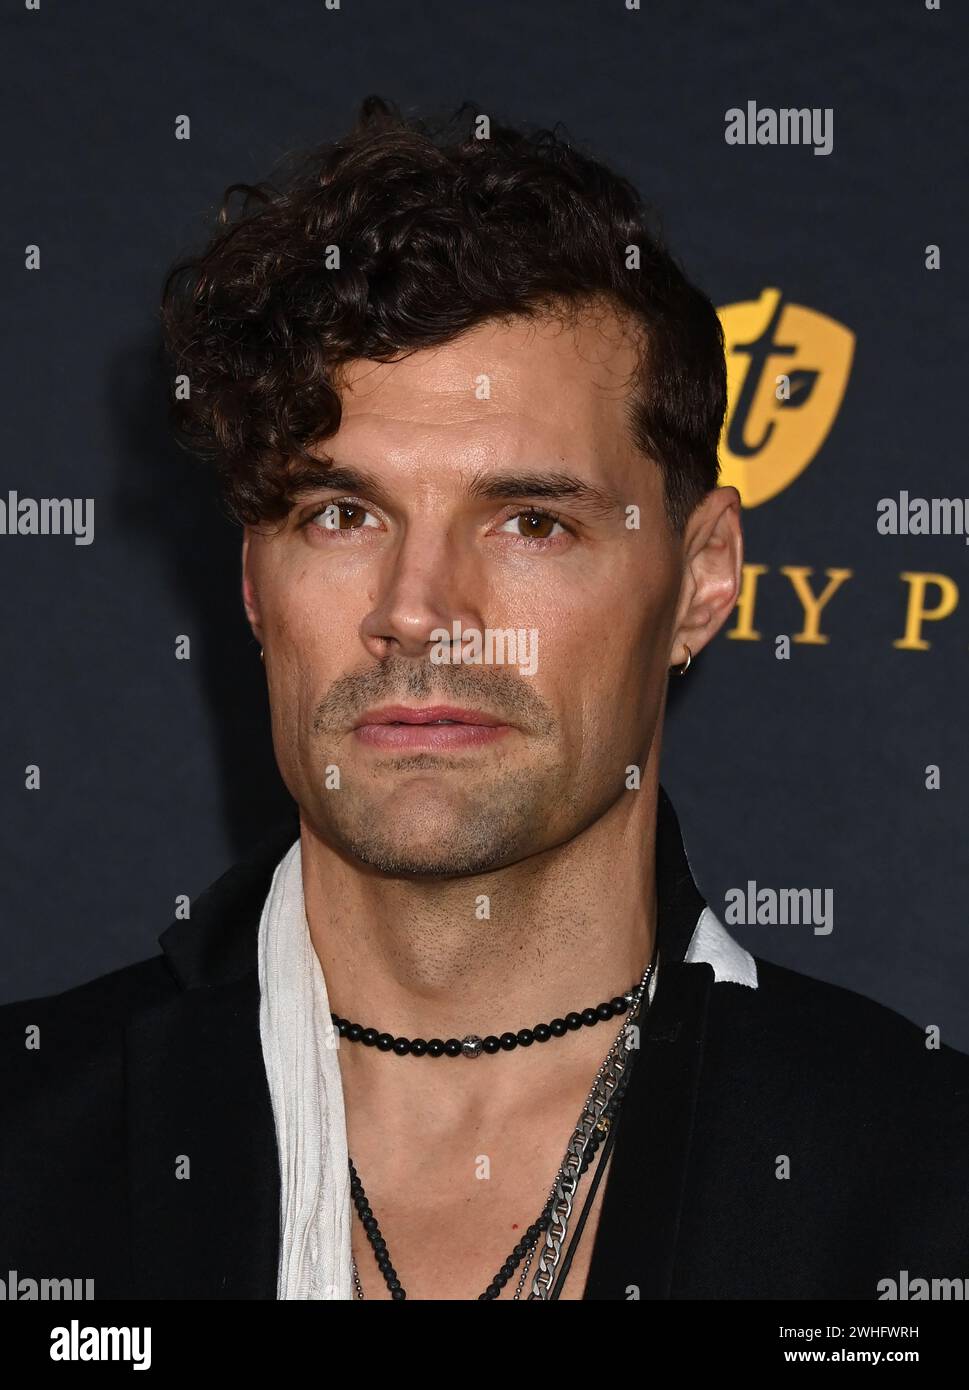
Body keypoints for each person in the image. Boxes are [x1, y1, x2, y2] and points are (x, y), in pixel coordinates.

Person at [1, 96, 966, 1302]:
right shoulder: (27, 1146)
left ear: (702, 580)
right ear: (256, 580)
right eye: (341, 515)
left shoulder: (930, 1181)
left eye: (530, 522)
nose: (421, 609)